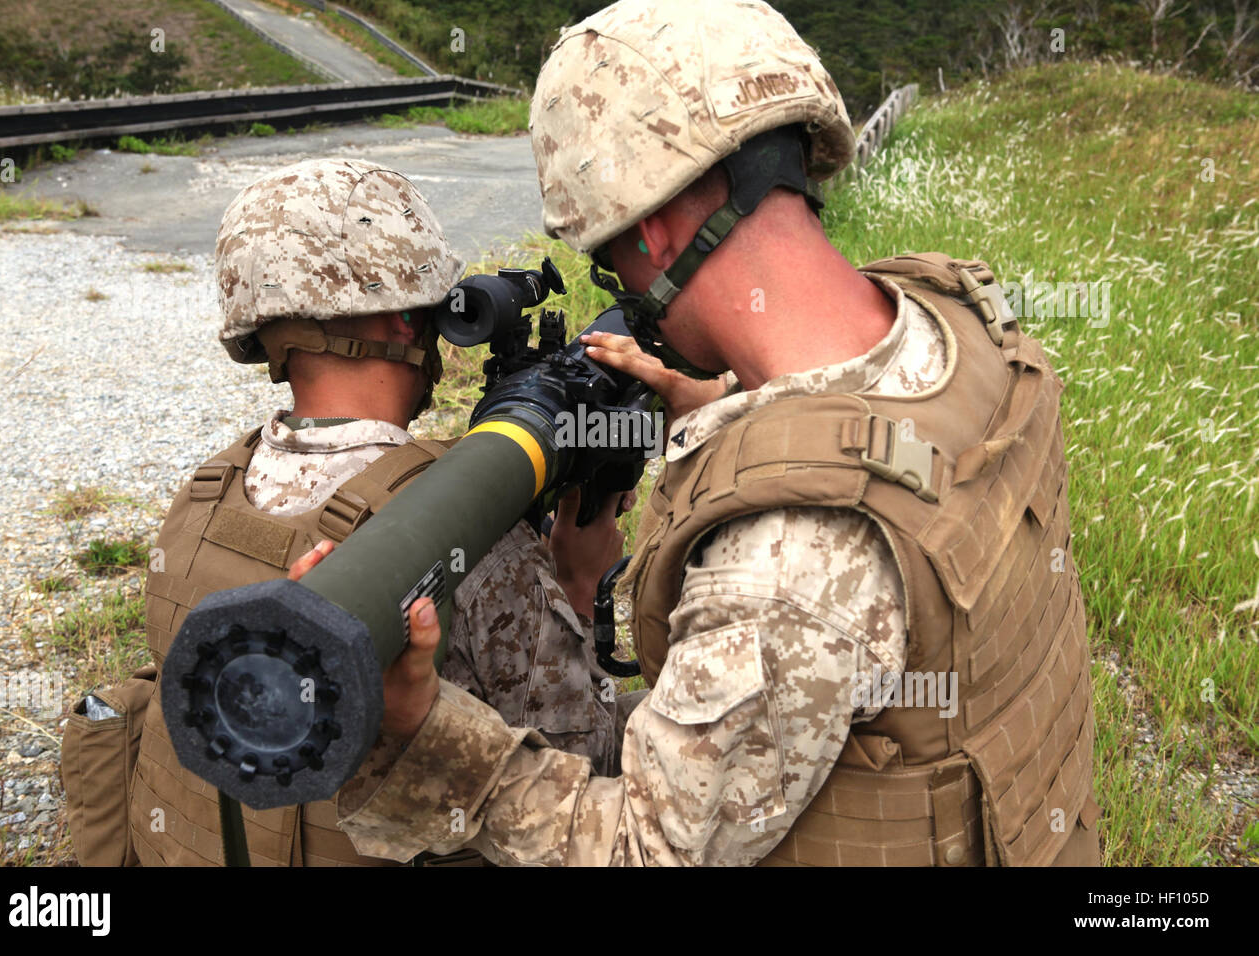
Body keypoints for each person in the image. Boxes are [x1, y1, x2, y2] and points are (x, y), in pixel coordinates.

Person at [329, 0, 1102, 867]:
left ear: (654, 229)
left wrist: (420, 727)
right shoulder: (968, 329)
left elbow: (641, 850)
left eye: (610, 260)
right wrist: (729, 413)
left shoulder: (785, 560)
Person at [124, 158, 625, 867]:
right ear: (406, 318)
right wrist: (574, 585)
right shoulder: (463, 537)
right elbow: (591, 775)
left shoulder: (206, 494)